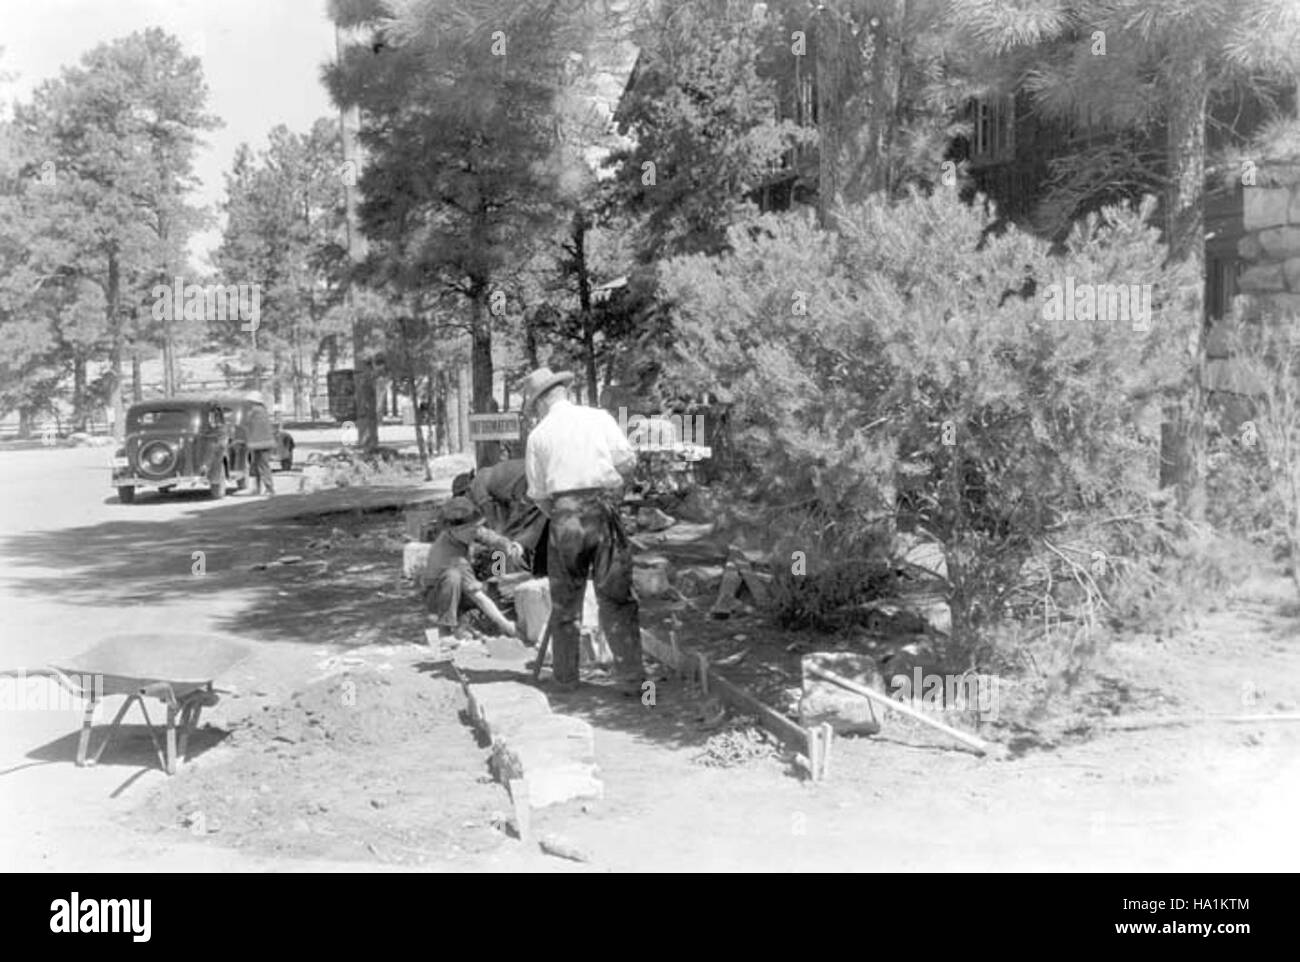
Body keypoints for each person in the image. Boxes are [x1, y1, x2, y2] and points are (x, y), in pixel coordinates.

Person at [521, 367, 643, 694]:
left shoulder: (538, 435)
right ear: (562, 391)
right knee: (617, 597)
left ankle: (565, 680)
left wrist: (563, 514)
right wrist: (614, 494)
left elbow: (538, 495)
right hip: (604, 509)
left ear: (541, 402)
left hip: (565, 516)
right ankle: (633, 680)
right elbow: (628, 461)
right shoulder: (598, 418)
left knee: (565, 603)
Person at [421, 496, 524, 642]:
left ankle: (470, 620)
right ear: (456, 530)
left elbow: (490, 537)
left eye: (476, 527)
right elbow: (479, 598)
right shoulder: (452, 557)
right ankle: (446, 630)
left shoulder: (464, 532)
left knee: (496, 555)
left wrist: (508, 545)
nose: (475, 531)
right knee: (454, 578)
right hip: (438, 596)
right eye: (472, 529)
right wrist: (507, 625)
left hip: (462, 583)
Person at [467, 458, 548, 576]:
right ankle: (536, 571)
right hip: (538, 477)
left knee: (507, 540)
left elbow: (493, 521)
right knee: (536, 528)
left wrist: (494, 537)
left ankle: (501, 574)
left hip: (527, 481)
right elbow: (504, 520)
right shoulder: (496, 483)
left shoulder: (477, 485)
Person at [244, 393, 276, 497]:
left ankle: (269, 488)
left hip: (260, 443)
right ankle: (259, 489)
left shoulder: (254, 412)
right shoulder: (263, 411)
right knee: (258, 466)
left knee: (262, 466)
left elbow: (248, 425)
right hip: (264, 443)